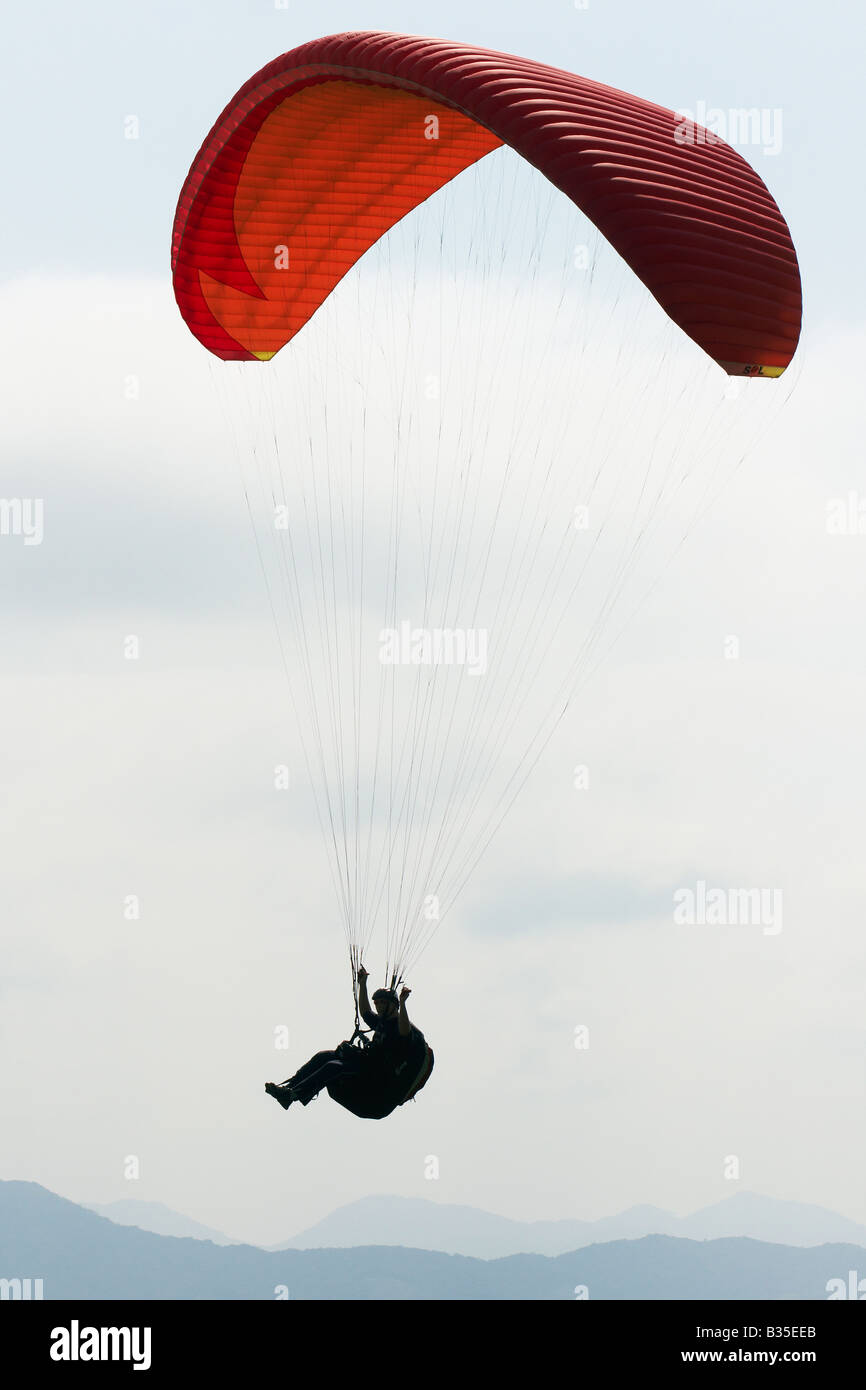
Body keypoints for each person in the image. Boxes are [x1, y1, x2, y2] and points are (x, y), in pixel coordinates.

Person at [265, 966, 433, 1120]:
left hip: (377, 1094)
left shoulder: (402, 1030)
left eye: (382, 1003)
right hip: (367, 1078)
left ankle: (294, 1095)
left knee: (334, 1066)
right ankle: (288, 1090)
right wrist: (363, 983)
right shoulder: (382, 1023)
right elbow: (366, 1012)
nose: (379, 1007)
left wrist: (403, 1004)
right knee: (324, 1056)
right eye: (377, 1003)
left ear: (393, 1005)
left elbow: (405, 1031)